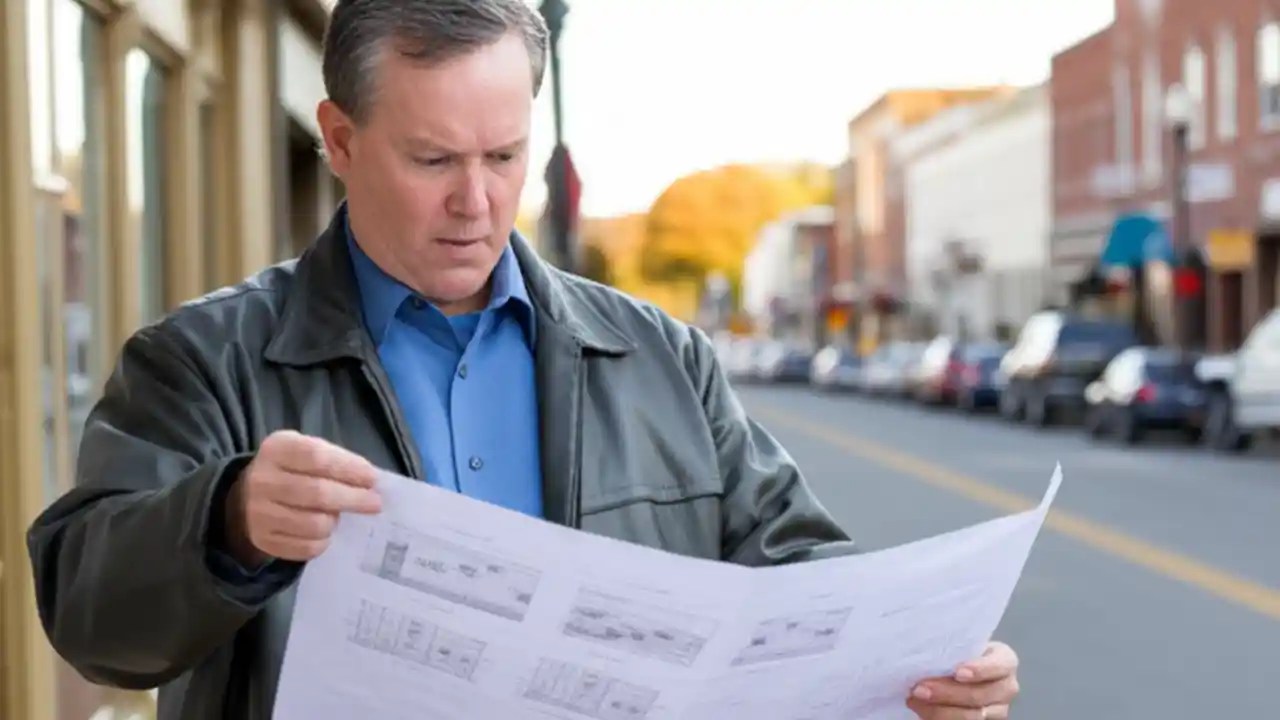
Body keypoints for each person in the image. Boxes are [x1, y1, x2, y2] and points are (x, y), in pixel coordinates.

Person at [26, 1, 1021, 718]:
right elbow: (90, 621)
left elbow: (800, 580)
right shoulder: (203, 360)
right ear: (338, 138)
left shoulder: (659, 356)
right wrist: (227, 520)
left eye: (503, 156)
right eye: (433, 161)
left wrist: (921, 666)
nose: (477, 203)